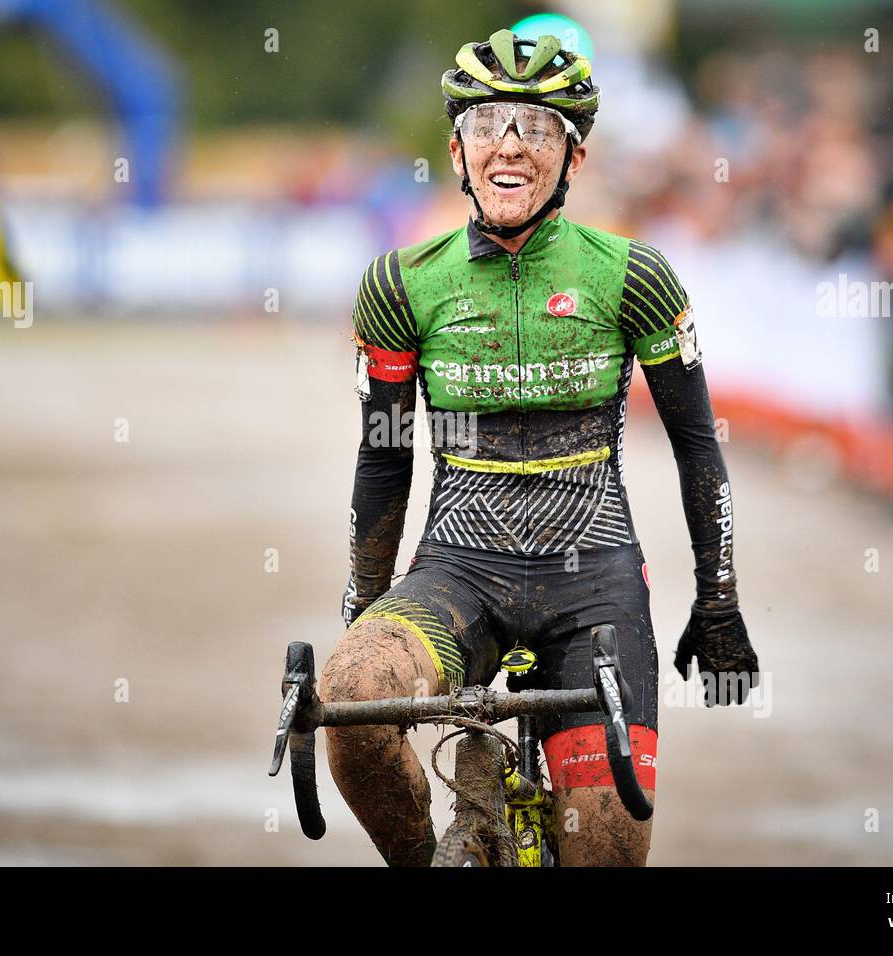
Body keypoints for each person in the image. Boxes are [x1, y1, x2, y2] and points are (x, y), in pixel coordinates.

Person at [321, 29, 760, 866]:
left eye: (537, 127)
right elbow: (385, 454)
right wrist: (363, 604)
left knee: (603, 853)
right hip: (457, 574)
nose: (511, 145)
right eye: (488, 125)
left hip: (592, 587)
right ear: (456, 149)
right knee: (353, 700)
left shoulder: (634, 275)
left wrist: (720, 599)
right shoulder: (400, 283)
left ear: (575, 157)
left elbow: (698, 446)